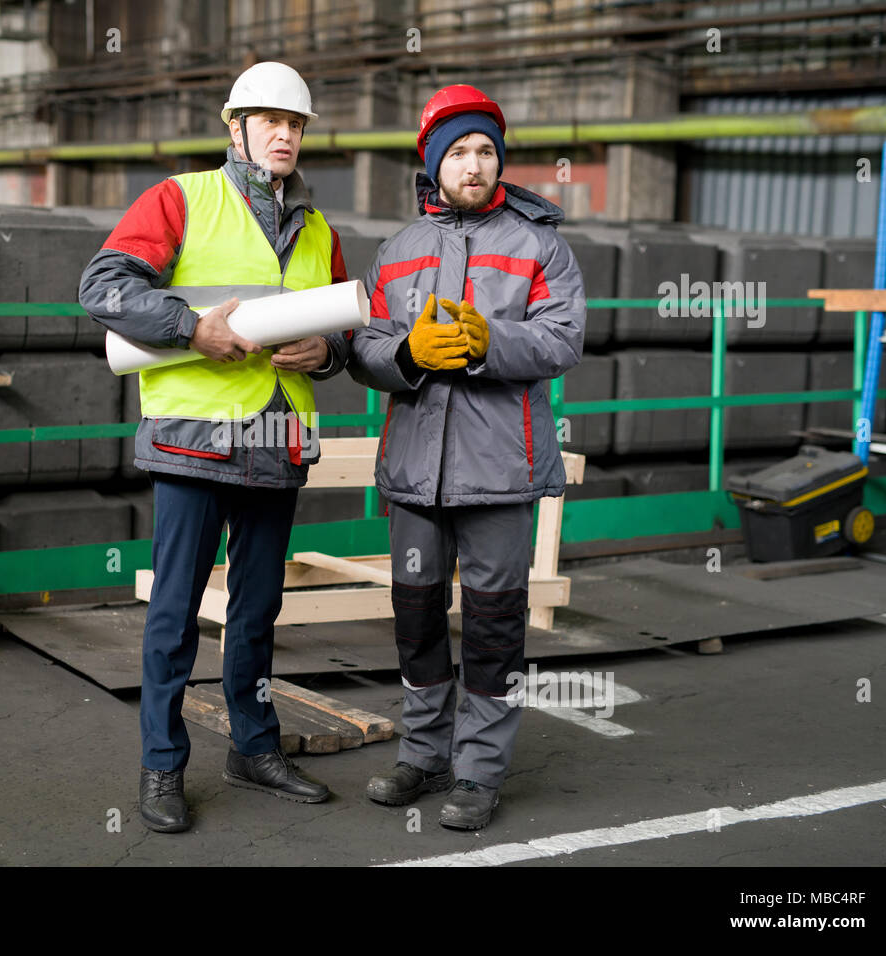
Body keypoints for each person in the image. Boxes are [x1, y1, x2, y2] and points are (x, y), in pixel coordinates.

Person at [78, 61, 352, 834]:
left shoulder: (320, 228)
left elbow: (340, 331)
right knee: (173, 616)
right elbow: (102, 286)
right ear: (235, 126)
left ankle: (253, 749)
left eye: (295, 124)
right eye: (269, 120)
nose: (284, 133)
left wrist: (322, 355)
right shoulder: (181, 198)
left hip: (277, 441)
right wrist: (190, 327)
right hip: (195, 445)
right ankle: (162, 765)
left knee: (258, 611)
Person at [349, 84, 586, 830]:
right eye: (458, 152)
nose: (474, 164)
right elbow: (363, 347)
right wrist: (409, 353)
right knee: (415, 616)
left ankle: (478, 773)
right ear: (433, 163)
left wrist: (492, 341)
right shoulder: (399, 250)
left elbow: (562, 340)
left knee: (492, 624)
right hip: (417, 472)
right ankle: (423, 755)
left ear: (500, 159)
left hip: (500, 473)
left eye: (486, 150)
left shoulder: (540, 244)